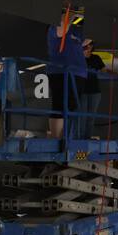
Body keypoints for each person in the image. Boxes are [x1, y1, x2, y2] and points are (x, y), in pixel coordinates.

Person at [45, 11, 87, 139]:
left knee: (71, 106)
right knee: (60, 106)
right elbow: (62, 25)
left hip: (77, 73)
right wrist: (73, 16)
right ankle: (57, 137)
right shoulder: (55, 29)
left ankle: (65, 136)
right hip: (61, 72)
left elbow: (84, 40)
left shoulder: (75, 31)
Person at [79, 38, 106, 138]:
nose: (89, 47)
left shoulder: (96, 58)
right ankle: (80, 138)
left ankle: (87, 137)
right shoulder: (79, 57)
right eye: (86, 45)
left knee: (91, 117)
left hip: (95, 91)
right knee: (82, 116)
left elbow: (104, 70)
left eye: (90, 45)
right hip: (82, 90)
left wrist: (116, 74)